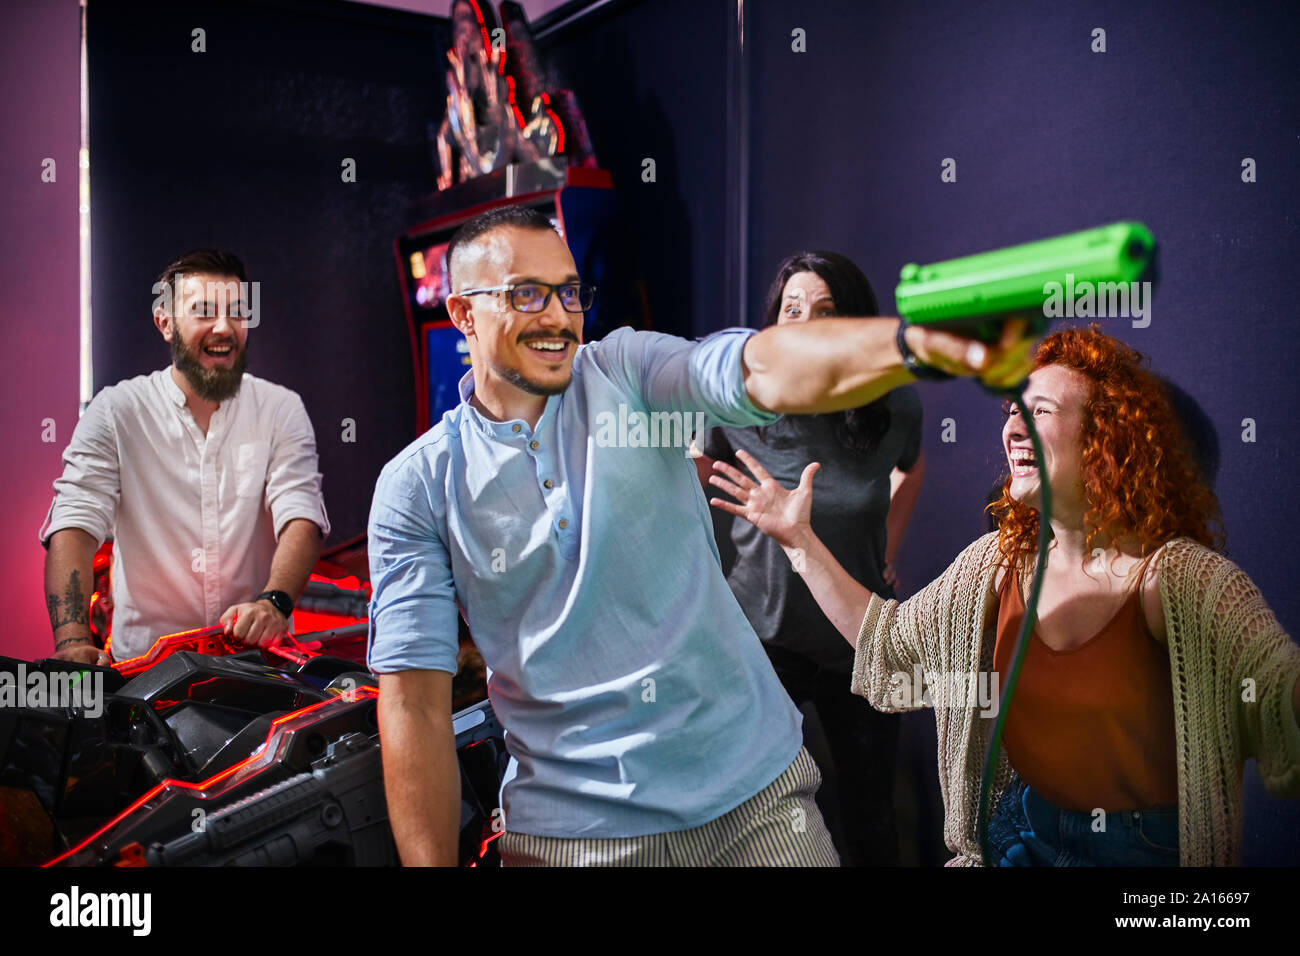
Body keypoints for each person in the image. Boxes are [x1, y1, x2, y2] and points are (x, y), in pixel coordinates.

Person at [366, 205, 1036, 867]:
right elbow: (414, 708)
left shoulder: (623, 370)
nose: (556, 315)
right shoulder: (419, 485)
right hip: (574, 836)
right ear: (460, 313)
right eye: (525, 293)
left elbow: (758, 369)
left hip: (755, 798)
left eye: (569, 291)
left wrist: (909, 344)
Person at [710, 325, 1300, 866]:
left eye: (1038, 411)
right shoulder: (994, 566)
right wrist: (797, 540)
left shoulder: (1177, 581)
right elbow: (889, 647)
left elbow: (1276, 692)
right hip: (1018, 838)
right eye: (1012, 411)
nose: (1012, 428)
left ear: (1106, 440)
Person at [699, 251, 923, 865]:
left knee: (872, 815)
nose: (803, 323)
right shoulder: (736, 404)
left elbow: (912, 466)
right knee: (750, 805)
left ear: (852, 326)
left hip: (863, 639)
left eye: (824, 310)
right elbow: (693, 470)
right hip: (764, 639)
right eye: (790, 309)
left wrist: (888, 550)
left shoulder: (893, 406)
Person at [41, 249, 329, 666]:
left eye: (236, 312)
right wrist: (71, 641)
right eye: (204, 312)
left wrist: (273, 603)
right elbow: (74, 524)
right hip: (143, 668)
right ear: (166, 323)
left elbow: (301, 516)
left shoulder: (280, 408)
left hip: (256, 664)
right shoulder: (117, 411)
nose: (224, 328)